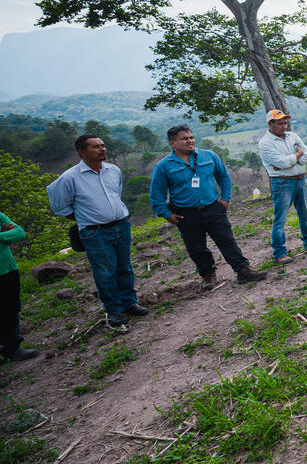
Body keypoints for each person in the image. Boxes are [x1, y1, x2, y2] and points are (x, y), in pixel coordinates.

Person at [151, 126, 268, 290]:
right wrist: (166, 214)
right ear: (172, 143)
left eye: (191, 137)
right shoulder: (164, 166)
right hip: (186, 214)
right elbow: (157, 194)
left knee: (227, 240)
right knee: (196, 247)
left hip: (213, 208)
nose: (190, 140)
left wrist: (225, 199)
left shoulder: (208, 155)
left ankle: (243, 270)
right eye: (184, 138)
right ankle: (208, 275)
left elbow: (224, 177)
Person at [49, 135, 147, 328]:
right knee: (105, 271)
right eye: (96, 147)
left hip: (121, 226)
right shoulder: (69, 178)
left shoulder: (113, 170)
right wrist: (89, 218)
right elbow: (60, 207)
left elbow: (115, 195)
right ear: (82, 152)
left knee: (124, 267)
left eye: (103, 146)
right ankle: (114, 311)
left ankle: (129, 302)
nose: (102, 149)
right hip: (95, 232)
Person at [257, 109, 307, 264]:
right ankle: (279, 252)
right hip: (282, 182)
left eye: (285, 122)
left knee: (305, 213)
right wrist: (297, 156)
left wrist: (293, 159)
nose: (284, 126)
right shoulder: (265, 143)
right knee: (280, 218)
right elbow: (282, 163)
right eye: (280, 123)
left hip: (301, 179)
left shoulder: (293, 136)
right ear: (270, 124)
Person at [0, 212, 37, 360]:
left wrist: (2, 237)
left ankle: (12, 348)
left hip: (7, 269)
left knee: (11, 309)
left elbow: (20, 233)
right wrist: (5, 235)